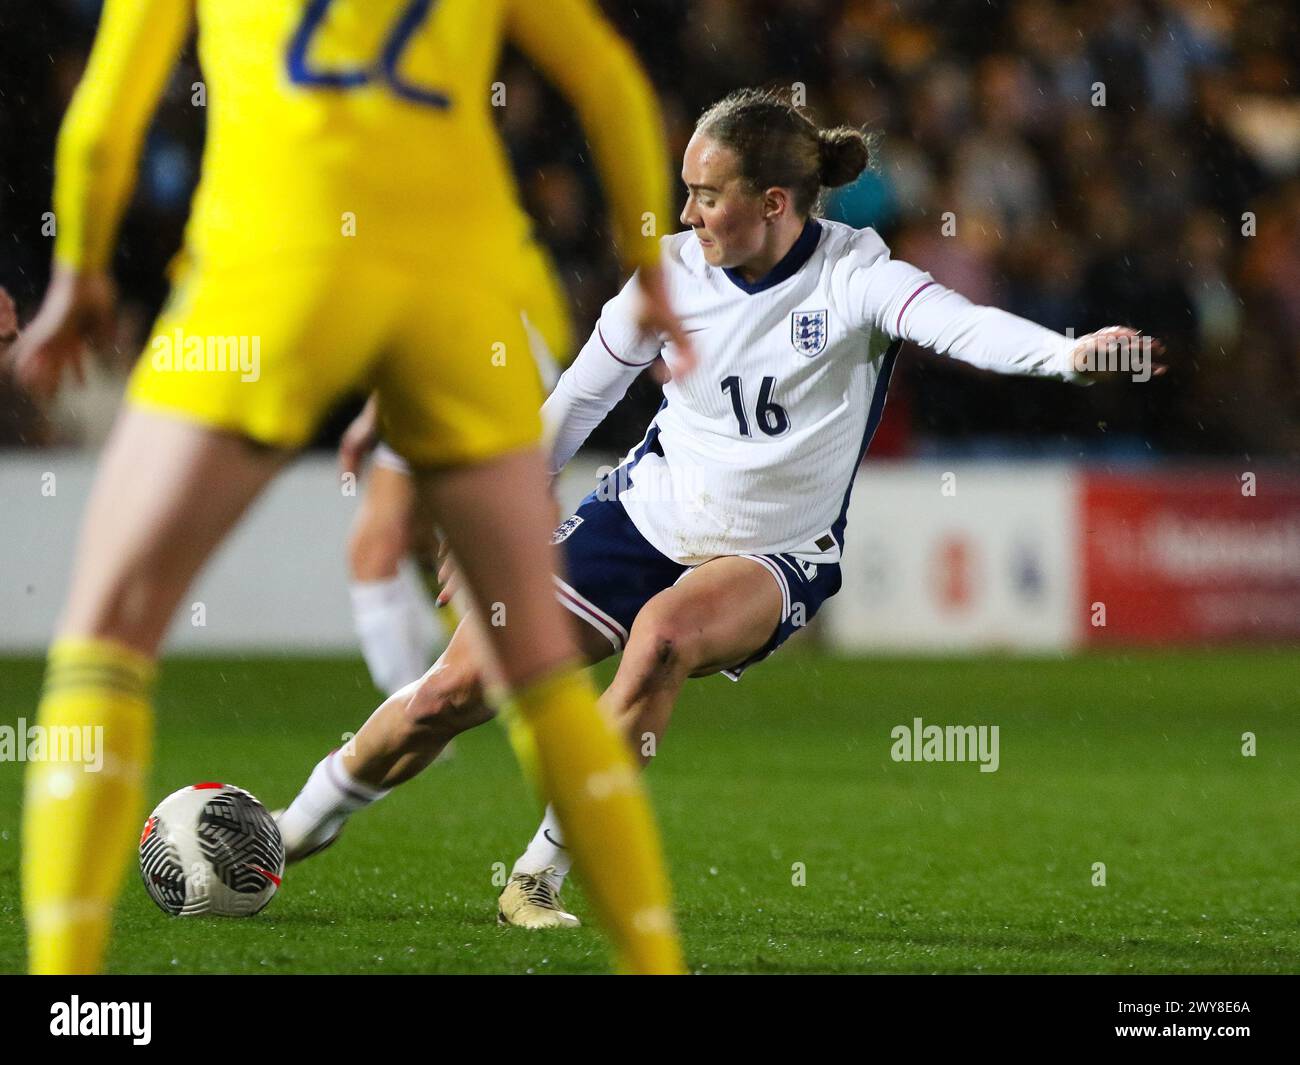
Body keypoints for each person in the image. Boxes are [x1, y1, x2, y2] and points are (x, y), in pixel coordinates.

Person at [275, 87, 1164, 927]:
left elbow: (965, 325)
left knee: (661, 638)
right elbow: (580, 398)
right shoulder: (669, 273)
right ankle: (289, 828)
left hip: (777, 549)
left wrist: (1070, 354)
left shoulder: (856, 275)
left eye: (707, 195)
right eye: (686, 193)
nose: (689, 214)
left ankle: (539, 873)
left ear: (775, 201)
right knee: (454, 691)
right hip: (646, 513)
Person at [9, 0, 690, 975]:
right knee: (540, 672)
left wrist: (77, 268)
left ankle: (64, 990)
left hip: (278, 267)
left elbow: (103, 115)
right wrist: (643, 257)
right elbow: (611, 82)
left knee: (109, 634)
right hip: (462, 290)